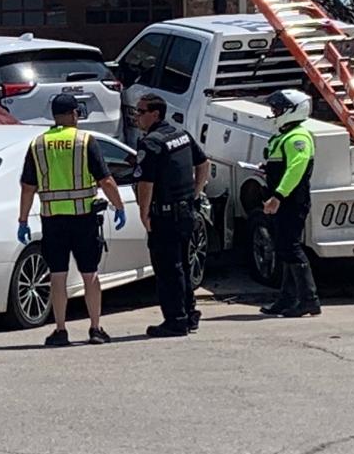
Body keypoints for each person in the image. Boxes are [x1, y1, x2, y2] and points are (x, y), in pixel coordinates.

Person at [18, 94, 127, 347]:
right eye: (76, 112)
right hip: (83, 218)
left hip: (53, 220)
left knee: (57, 275)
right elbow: (106, 180)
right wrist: (119, 206)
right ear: (71, 115)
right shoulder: (84, 140)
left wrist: (23, 220)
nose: (78, 116)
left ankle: (60, 330)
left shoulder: (38, 145)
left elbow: (27, 187)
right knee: (90, 274)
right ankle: (95, 329)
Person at [132, 93, 210, 337]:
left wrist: (144, 213)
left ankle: (176, 319)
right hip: (186, 211)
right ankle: (189, 314)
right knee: (182, 266)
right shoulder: (181, 135)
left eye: (140, 111)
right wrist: (195, 193)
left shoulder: (151, 143)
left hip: (165, 215)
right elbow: (204, 163)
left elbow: (146, 183)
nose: (136, 116)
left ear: (155, 114)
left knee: (168, 269)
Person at [259, 89, 321, 318]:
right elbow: (283, 166)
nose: (273, 113)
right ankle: (287, 299)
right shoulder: (285, 135)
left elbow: (296, 170)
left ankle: (309, 300)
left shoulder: (297, 138)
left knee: (291, 248)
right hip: (285, 201)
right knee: (284, 248)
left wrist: (278, 196)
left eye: (277, 109)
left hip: (292, 202)